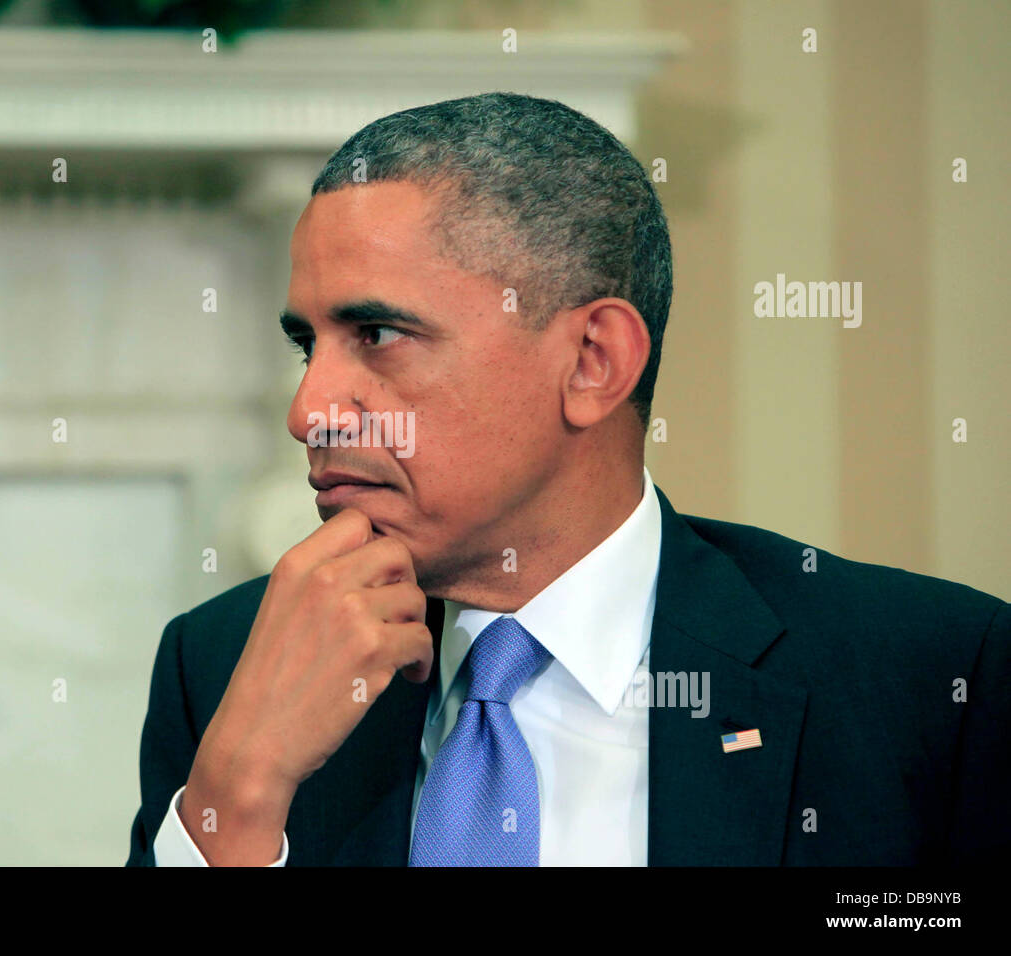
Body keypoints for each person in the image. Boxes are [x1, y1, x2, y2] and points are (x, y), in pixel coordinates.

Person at [126, 92, 1008, 867]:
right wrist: (238, 797)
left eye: (379, 335)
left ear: (594, 361)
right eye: (304, 346)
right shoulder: (223, 668)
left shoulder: (930, 681)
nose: (310, 409)